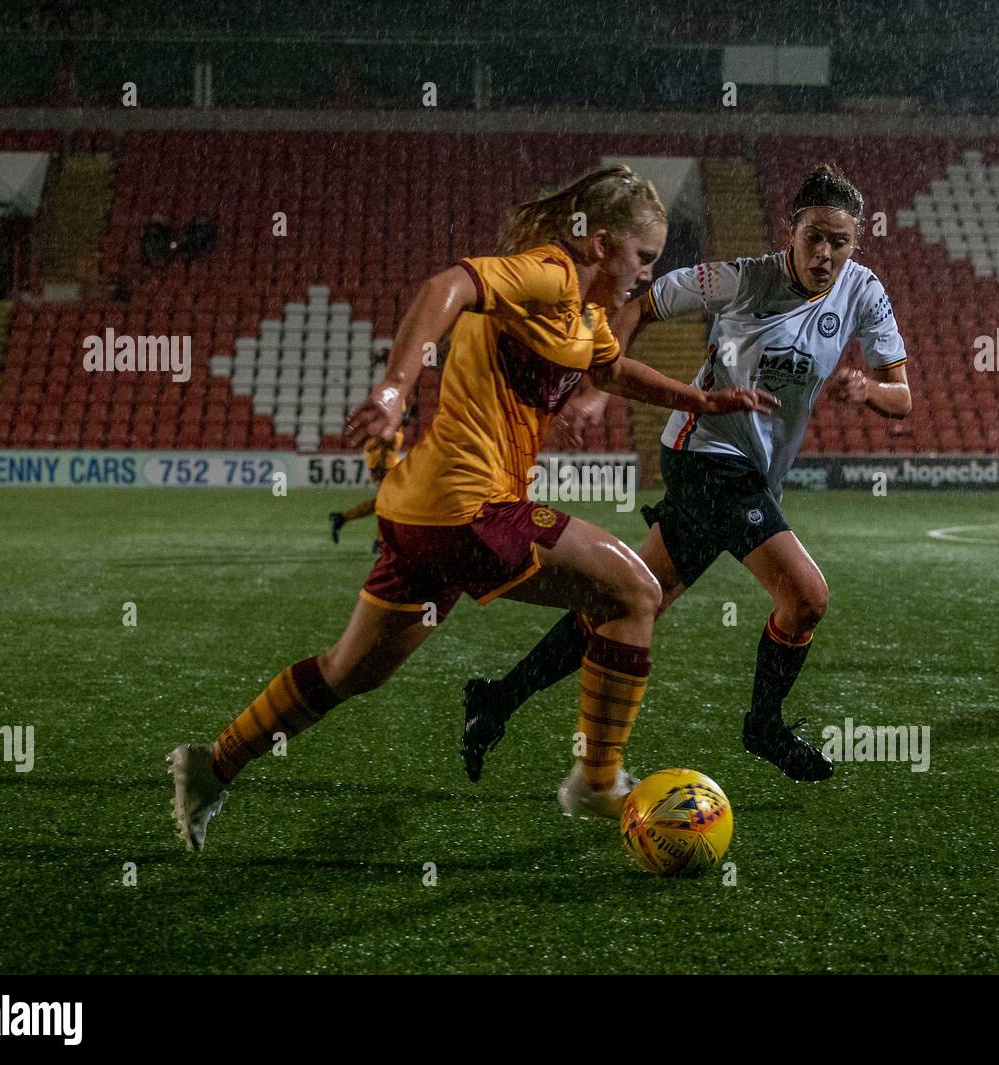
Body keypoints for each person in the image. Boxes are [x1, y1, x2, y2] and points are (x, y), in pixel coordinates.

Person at [167, 165, 776, 850]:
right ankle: (597, 780)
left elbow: (606, 369)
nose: (645, 273)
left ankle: (212, 764)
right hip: (468, 506)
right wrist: (396, 388)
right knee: (635, 590)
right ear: (602, 243)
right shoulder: (547, 271)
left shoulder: (584, 309)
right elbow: (447, 286)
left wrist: (700, 401)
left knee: (350, 670)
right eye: (643, 256)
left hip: (419, 510)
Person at [463, 163, 912, 787]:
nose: (826, 252)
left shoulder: (863, 292)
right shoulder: (744, 279)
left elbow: (903, 397)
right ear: (792, 230)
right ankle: (763, 724)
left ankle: (497, 698)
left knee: (634, 600)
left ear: (856, 243)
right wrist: (599, 386)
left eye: (840, 241)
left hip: (751, 470)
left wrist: (866, 388)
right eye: (815, 236)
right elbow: (644, 303)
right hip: (703, 452)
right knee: (806, 597)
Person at [328, 411, 410, 550]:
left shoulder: (382, 435)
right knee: (387, 505)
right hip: (384, 469)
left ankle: (343, 518)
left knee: (381, 504)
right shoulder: (386, 434)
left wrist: (400, 420)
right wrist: (400, 420)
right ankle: (381, 541)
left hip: (384, 467)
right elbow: (388, 438)